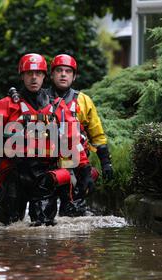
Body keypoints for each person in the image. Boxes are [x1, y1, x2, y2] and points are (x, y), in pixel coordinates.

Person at [0, 53, 92, 227]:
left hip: (45, 177)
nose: (34, 77)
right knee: (7, 229)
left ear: (44, 76)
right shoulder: (5, 106)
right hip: (13, 174)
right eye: (29, 73)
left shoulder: (57, 106)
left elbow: (72, 139)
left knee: (44, 230)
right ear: (22, 76)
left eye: (38, 73)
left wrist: (85, 170)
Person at [48, 54, 114, 217]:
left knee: (73, 215)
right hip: (46, 165)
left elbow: (96, 135)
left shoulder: (83, 101)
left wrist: (105, 162)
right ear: (51, 75)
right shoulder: (41, 98)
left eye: (68, 71)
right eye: (59, 71)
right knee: (44, 216)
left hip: (76, 167)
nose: (63, 74)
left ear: (74, 76)